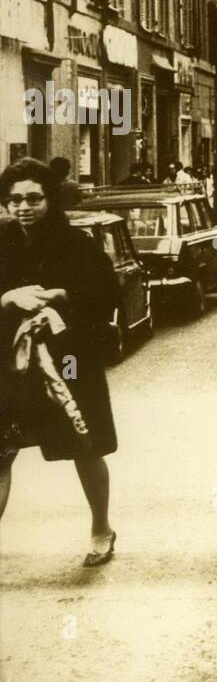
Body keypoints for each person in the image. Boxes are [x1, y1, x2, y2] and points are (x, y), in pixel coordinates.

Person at [0, 158, 120, 565]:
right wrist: (7, 299)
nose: (24, 207)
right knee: (0, 452)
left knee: (85, 446)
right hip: (10, 365)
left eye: (34, 198)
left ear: (50, 199)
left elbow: (108, 296)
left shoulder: (76, 243)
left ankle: (101, 527)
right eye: (15, 199)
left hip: (67, 362)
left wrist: (62, 296)